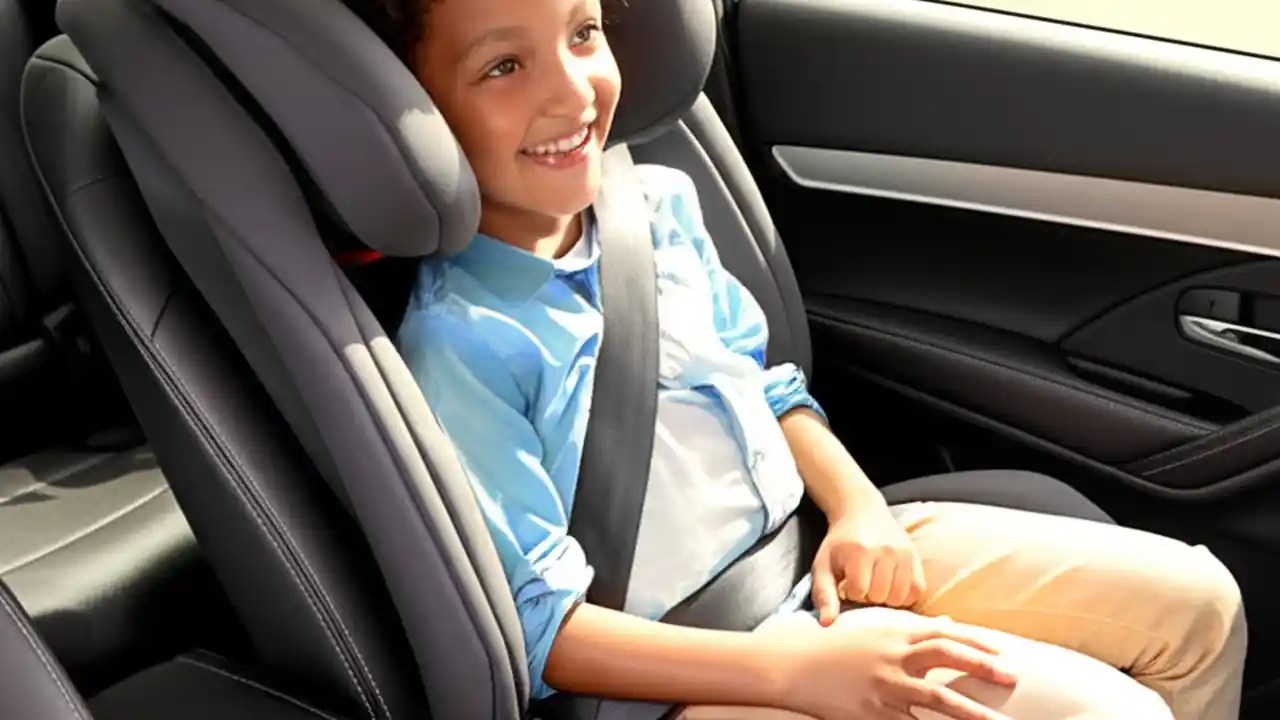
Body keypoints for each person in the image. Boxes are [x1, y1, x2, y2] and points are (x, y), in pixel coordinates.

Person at [347, 0, 1247, 717]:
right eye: (504, 67)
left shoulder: (652, 206)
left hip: (809, 557)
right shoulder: (463, 342)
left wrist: (859, 508)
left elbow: (765, 383)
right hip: (693, 672)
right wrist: (795, 674)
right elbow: (544, 631)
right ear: (418, 117)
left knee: (1203, 606)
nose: (572, 90)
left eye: (583, 33)